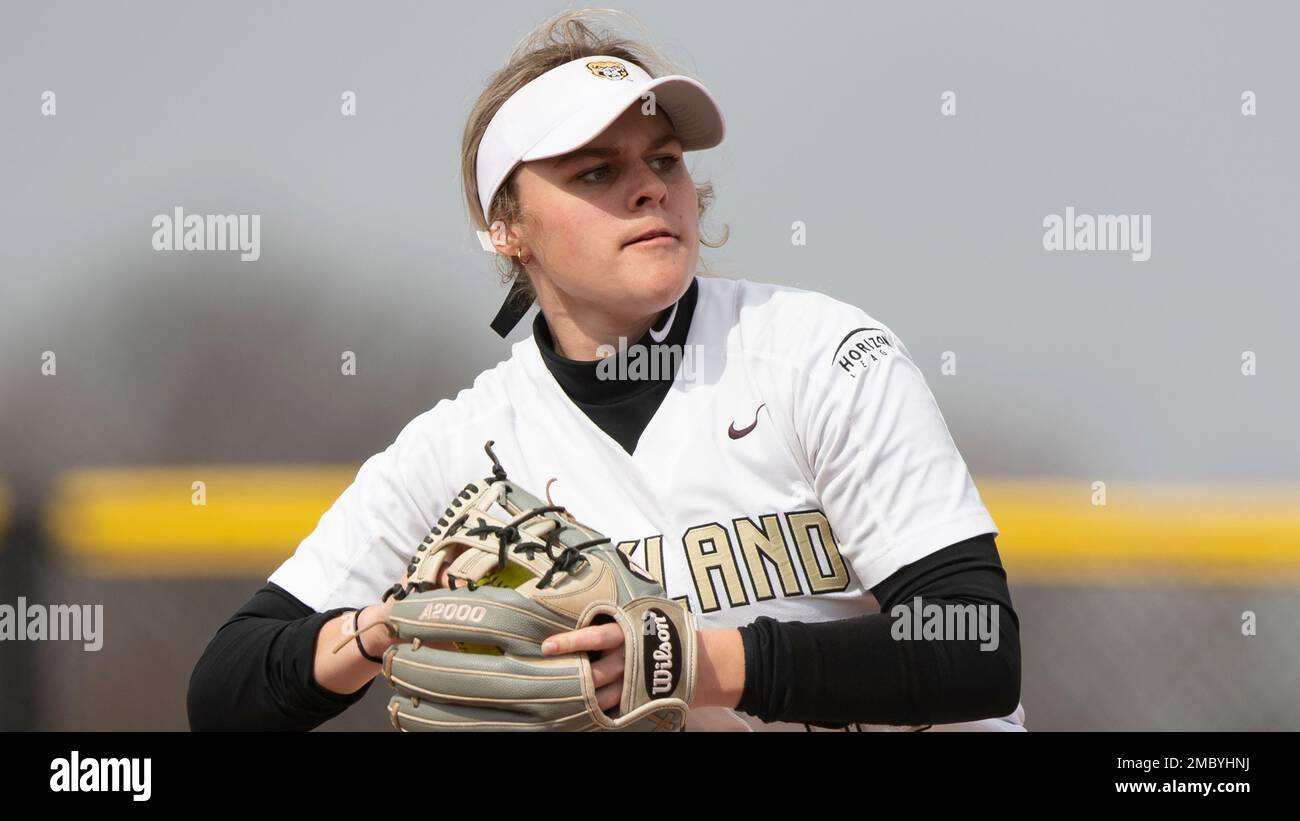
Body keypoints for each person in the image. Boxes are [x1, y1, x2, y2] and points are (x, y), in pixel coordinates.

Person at [188, 9, 1024, 732]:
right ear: (505, 227)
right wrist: (384, 627)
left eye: (664, 160)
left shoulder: (818, 354)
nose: (650, 190)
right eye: (597, 170)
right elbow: (226, 689)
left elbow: (974, 641)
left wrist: (678, 658)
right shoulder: (464, 447)